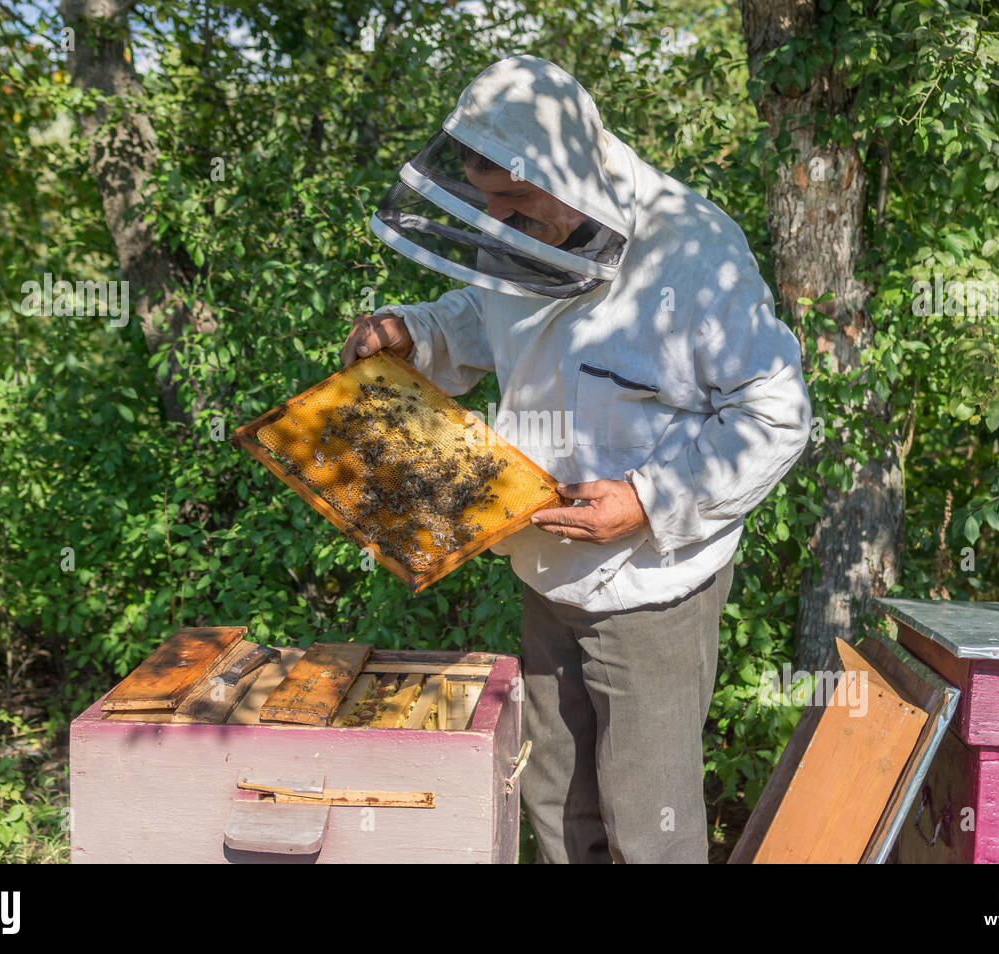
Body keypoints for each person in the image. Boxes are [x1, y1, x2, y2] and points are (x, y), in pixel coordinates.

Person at [341, 55, 812, 863]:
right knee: (553, 799)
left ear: (571, 172)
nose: (500, 221)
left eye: (515, 199)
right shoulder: (527, 228)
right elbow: (483, 315)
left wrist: (646, 499)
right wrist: (412, 333)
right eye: (487, 201)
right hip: (540, 566)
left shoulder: (694, 252)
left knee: (646, 816)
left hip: (653, 590)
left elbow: (776, 414)